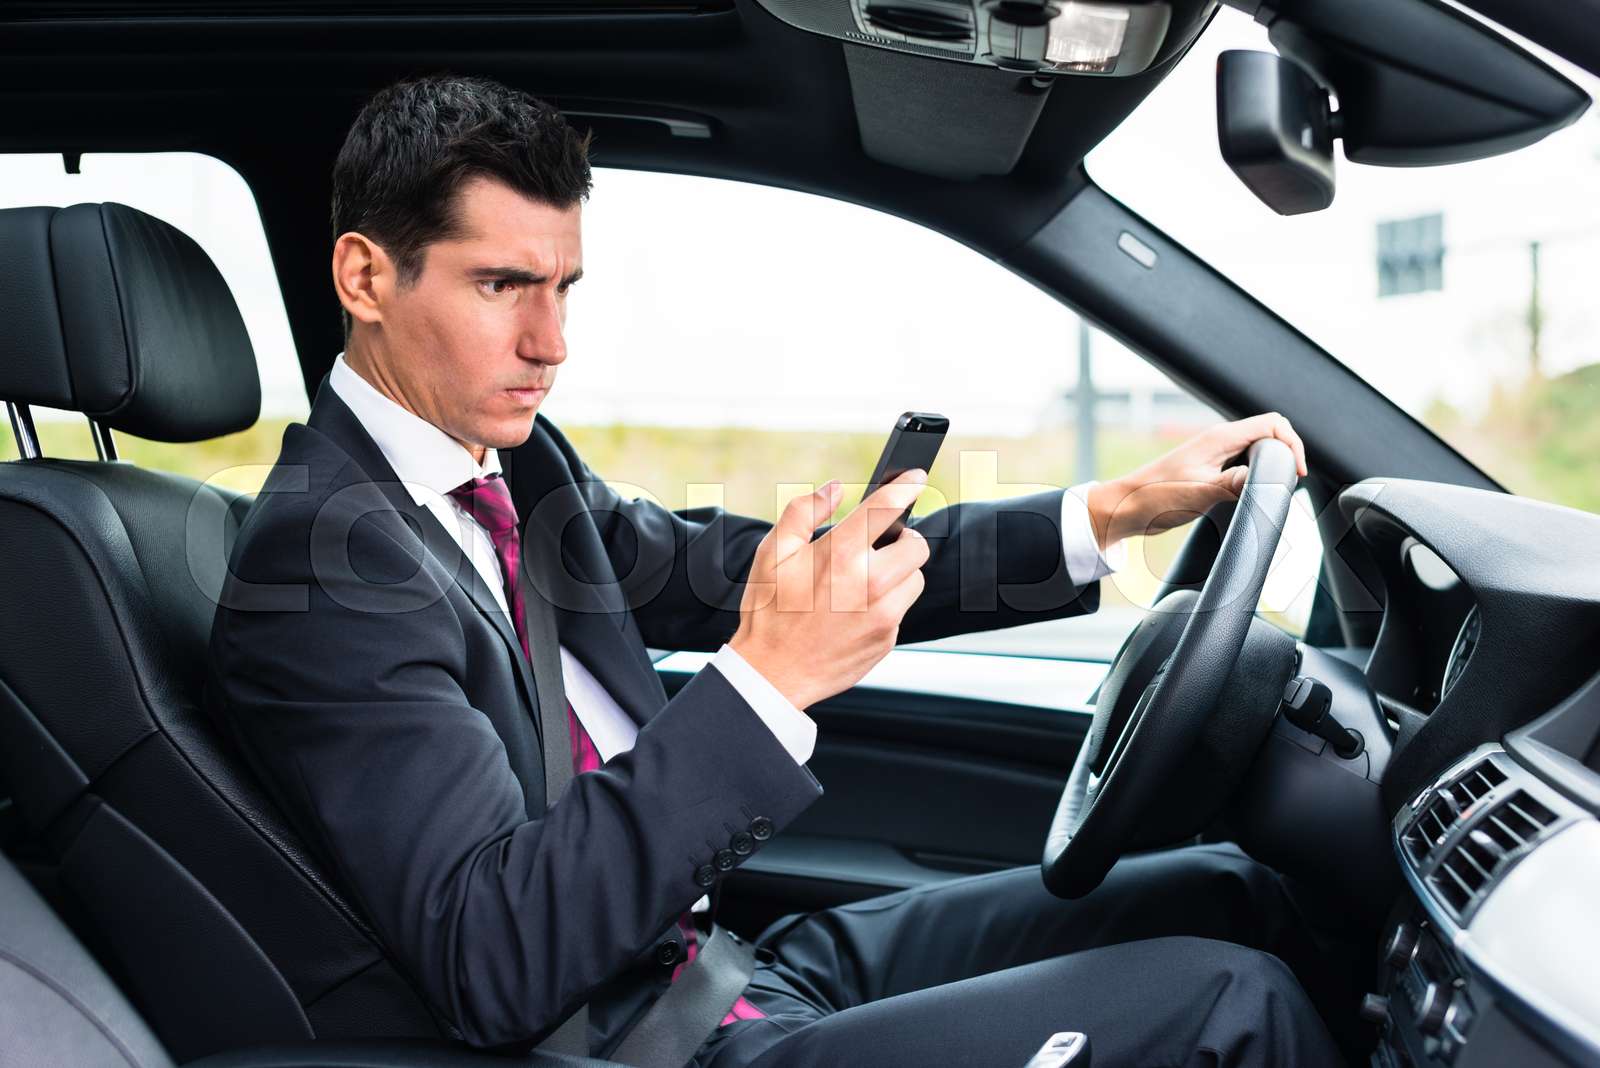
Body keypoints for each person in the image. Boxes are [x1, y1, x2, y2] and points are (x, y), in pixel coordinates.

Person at [206, 75, 1339, 1068]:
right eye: (503, 285)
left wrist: (1109, 511)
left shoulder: (512, 466)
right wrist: (764, 681)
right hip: (626, 1041)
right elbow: (497, 957)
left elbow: (745, 571)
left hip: (721, 970)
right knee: (1230, 1007)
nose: (552, 342)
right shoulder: (322, 569)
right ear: (364, 277)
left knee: (1227, 891)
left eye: (566, 288)